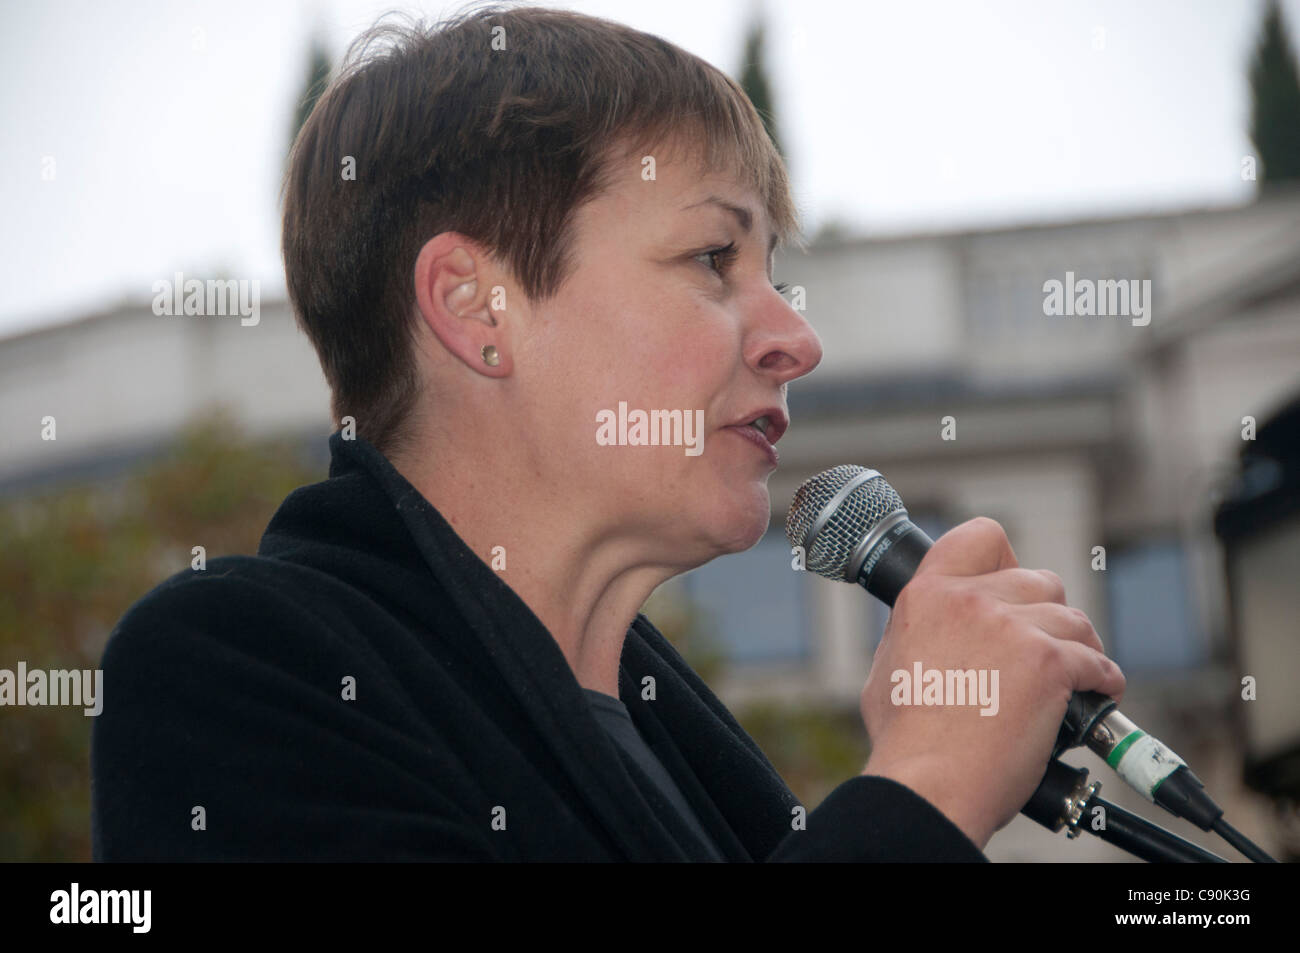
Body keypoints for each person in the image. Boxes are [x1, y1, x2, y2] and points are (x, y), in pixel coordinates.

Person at [91, 4, 1125, 861]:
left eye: (779, 275)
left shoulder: (691, 754)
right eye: (713, 258)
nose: (796, 339)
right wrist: (930, 778)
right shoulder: (232, 670)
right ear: (477, 306)